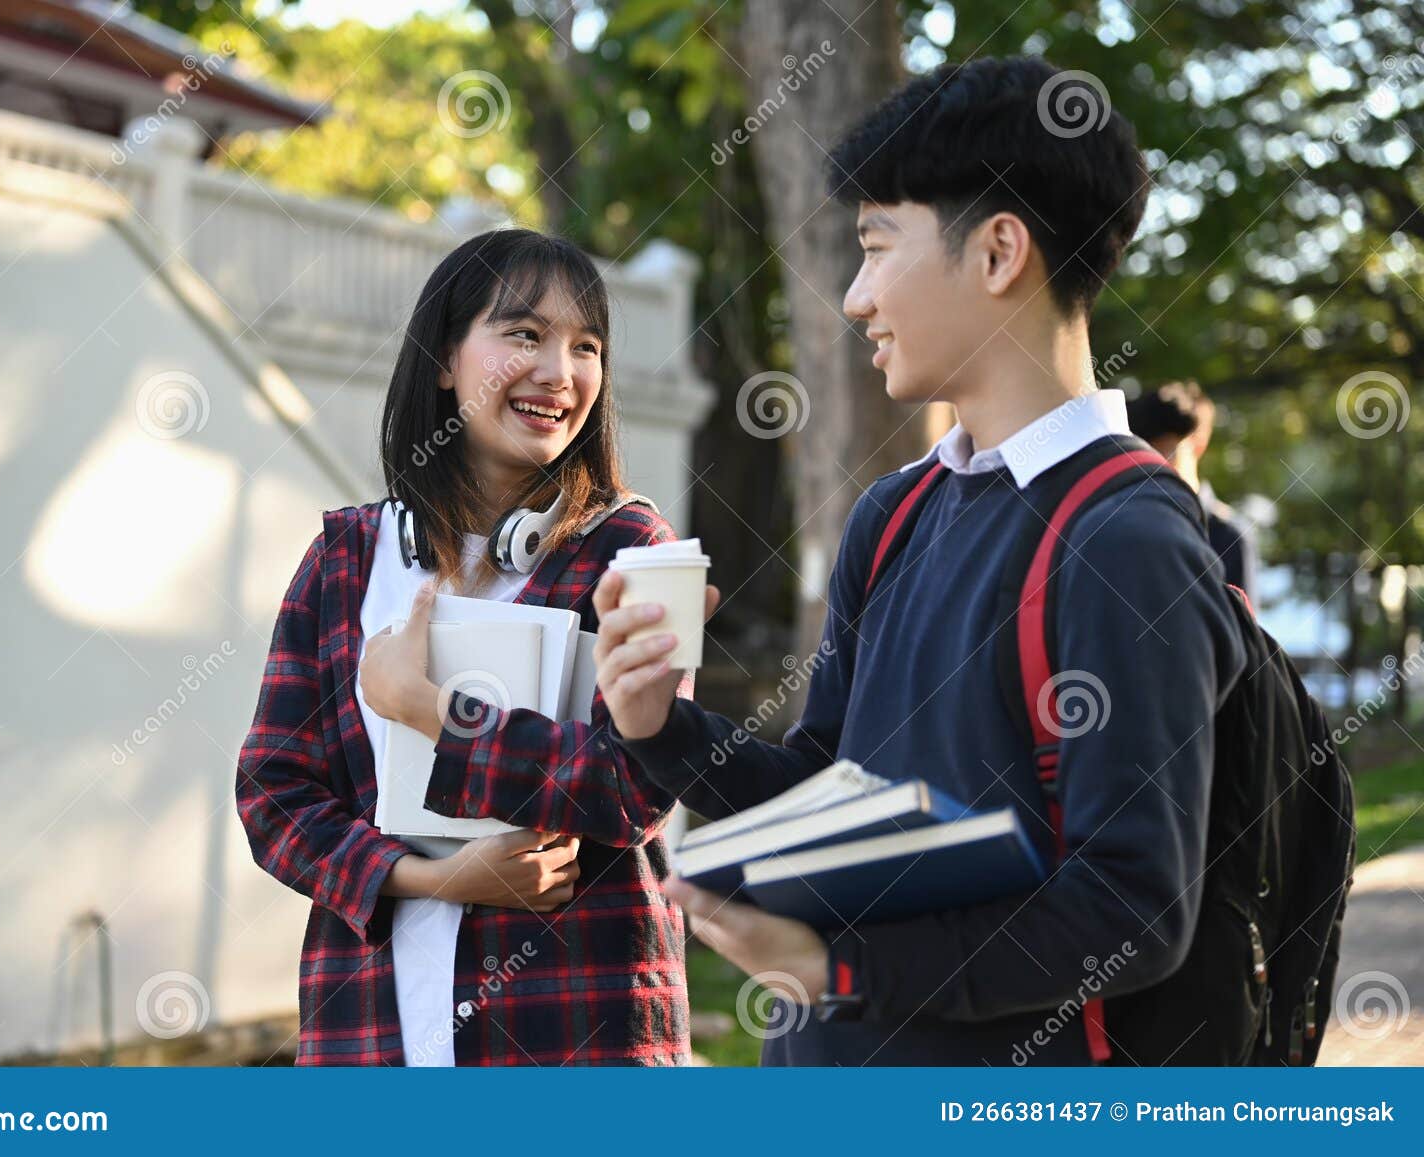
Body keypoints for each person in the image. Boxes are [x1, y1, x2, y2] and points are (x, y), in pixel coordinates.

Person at [593, 57, 1246, 1065]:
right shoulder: (894, 515)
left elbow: (1130, 907)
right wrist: (660, 726)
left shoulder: (1128, 539)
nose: (855, 298)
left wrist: (838, 968)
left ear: (996, 253)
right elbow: (824, 784)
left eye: (874, 246)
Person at [236, 228, 696, 1066]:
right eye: (525, 334)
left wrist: (436, 713)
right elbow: (273, 796)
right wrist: (433, 877)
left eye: (585, 346)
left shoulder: (635, 550)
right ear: (445, 358)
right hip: (369, 1031)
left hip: (575, 1035)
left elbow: (637, 783)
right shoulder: (344, 560)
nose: (561, 373)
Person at [1127, 380, 1259, 602]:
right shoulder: (1127, 526)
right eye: (1147, 459)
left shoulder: (1229, 537)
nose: (1155, 471)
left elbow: (1242, 631)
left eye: (1167, 455)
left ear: (1199, 444)